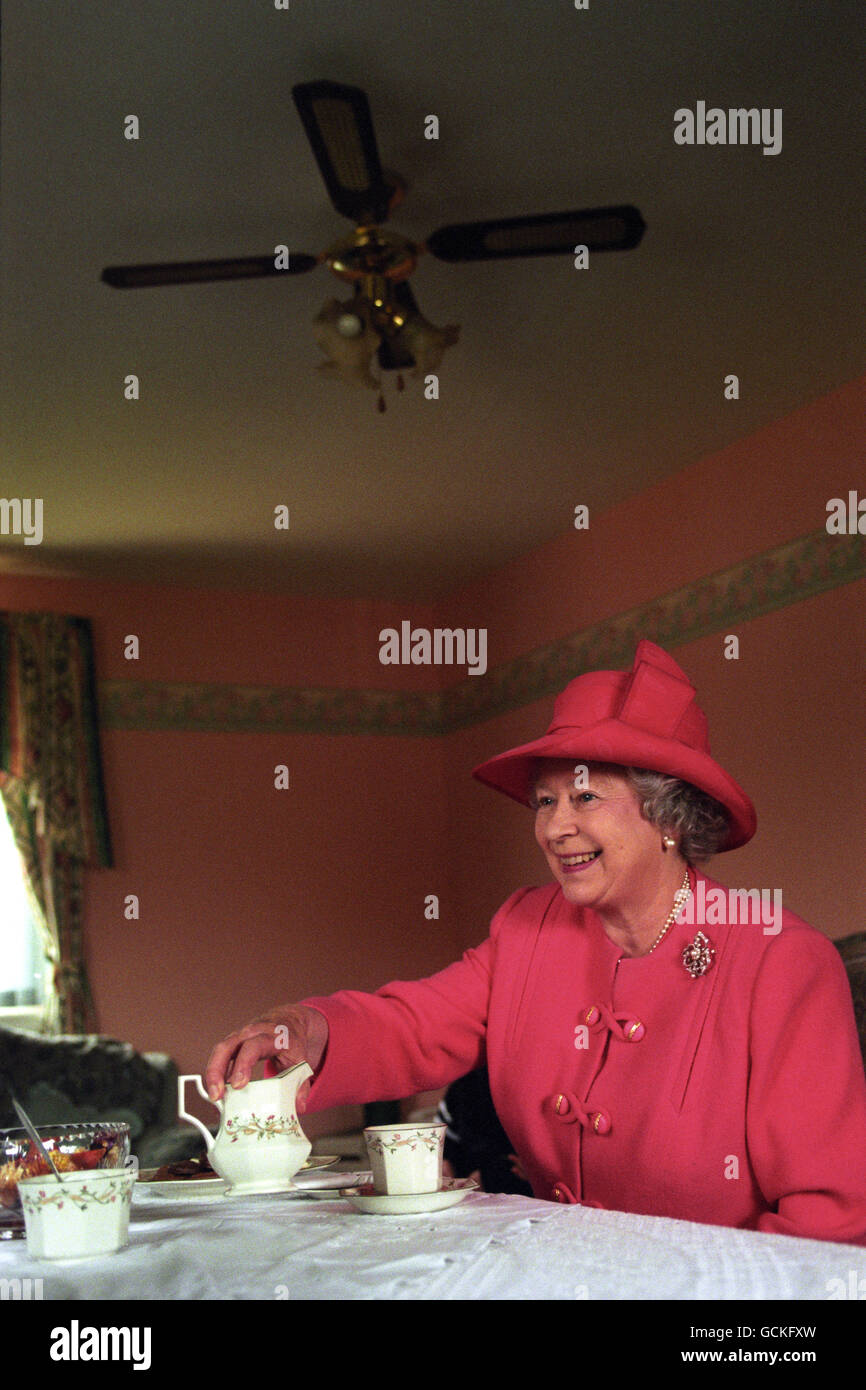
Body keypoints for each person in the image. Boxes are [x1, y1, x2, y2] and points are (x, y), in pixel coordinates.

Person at [206, 640, 866, 1243]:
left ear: (668, 814)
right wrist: (303, 1033)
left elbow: (827, 1220)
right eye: (545, 803)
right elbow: (414, 1025)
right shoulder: (528, 926)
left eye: (583, 796)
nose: (555, 829)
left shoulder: (781, 959)